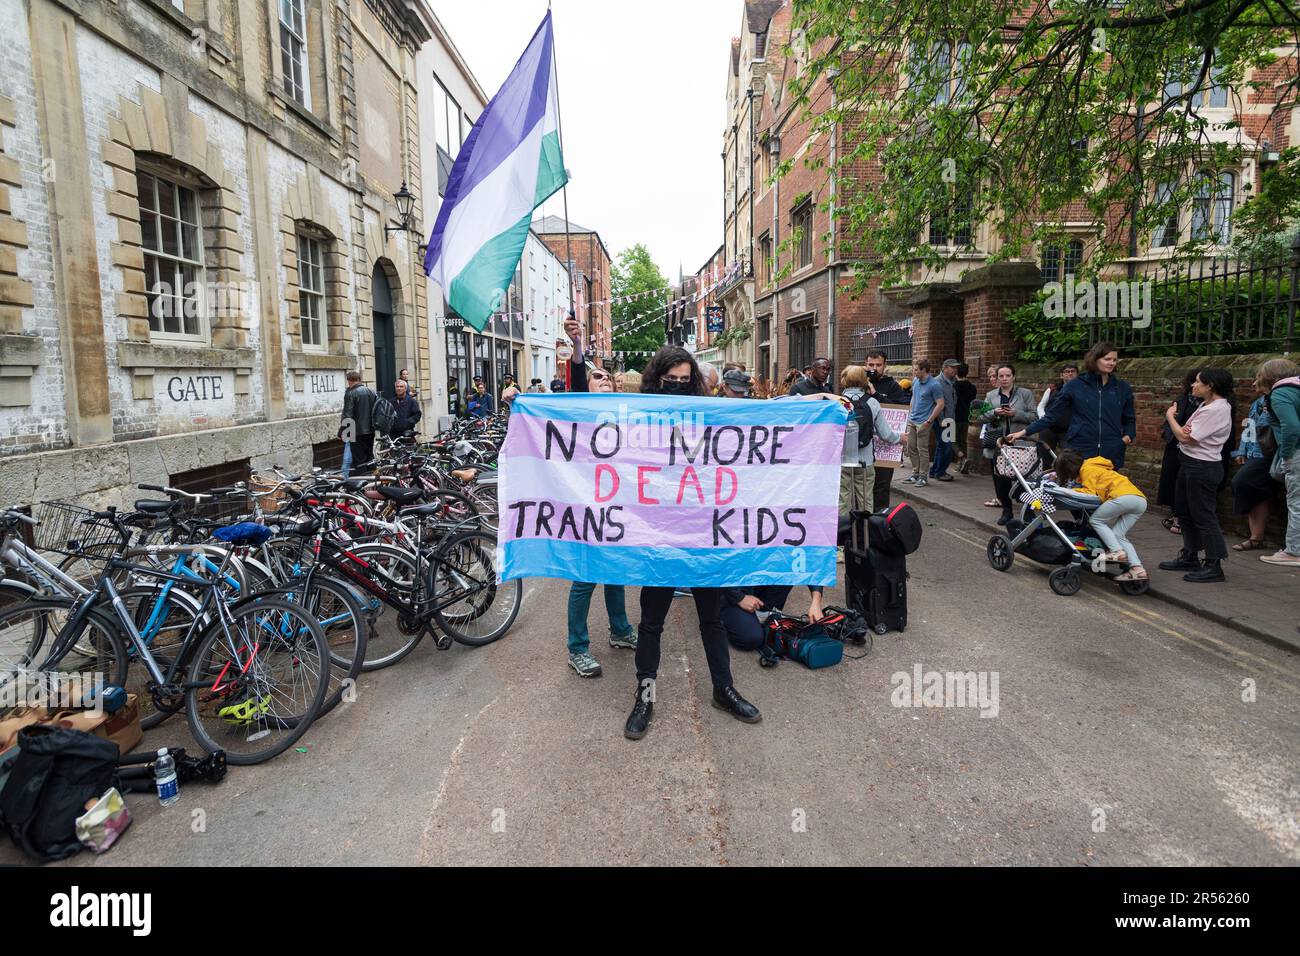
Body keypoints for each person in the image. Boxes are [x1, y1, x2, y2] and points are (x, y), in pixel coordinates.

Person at [625, 345, 761, 740]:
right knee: (652, 622)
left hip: (701, 534)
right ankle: (645, 697)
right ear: (658, 380)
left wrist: (815, 401)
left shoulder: (709, 413)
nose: (680, 387)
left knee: (712, 619)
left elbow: (761, 416)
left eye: (687, 381)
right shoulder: (640, 415)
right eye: (672, 381)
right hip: (660, 536)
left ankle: (724, 689)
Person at [563, 359, 637, 677]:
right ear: (585, 386)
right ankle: (577, 647)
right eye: (597, 376)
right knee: (585, 577)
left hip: (618, 507)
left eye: (608, 376)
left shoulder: (624, 413)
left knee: (615, 570)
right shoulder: (579, 413)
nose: (604, 379)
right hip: (587, 508)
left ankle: (619, 630)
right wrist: (515, 401)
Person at [1158, 368, 1236, 583]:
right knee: (1183, 511)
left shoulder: (1217, 409)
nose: (1193, 385)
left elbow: (1185, 436)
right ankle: (1190, 555)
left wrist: (1169, 417)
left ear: (1210, 385)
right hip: (1189, 463)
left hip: (1202, 467)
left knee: (1204, 515)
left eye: (1198, 382)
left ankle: (1214, 564)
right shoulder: (1206, 405)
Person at [1017, 341, 1136, 467]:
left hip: (1111, 451)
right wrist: (1023, 432)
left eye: (1114, 360)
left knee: (1108, 486)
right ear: (1094, 359)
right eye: (1107, 359)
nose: (1112, 363)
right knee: (1079, 486)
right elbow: (1052, 416)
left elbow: (1129, 419)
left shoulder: (1122, 388)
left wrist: (1126, 439)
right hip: (1081, 450)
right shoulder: (1075, 386)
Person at [1053, 448, 1148, 582]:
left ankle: (1116, 552)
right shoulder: (1093, 465)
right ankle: (1137, 569)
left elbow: (1089, 492)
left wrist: (1065, 490)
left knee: (1096, 520)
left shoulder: (1086, 469)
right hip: (1139, 500)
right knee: (1118, 535)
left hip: (1122, 497)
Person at [840, 364, 902, 514]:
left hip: (842, 460)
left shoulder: (837, 403)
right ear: (864, 381)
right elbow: (886, 434)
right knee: (865, 500)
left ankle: (842, 533)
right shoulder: (872, 403)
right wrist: (900, 438)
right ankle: (864, 533)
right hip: (865, 461)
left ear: (844, 381)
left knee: (841, 500)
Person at [981, 364, 1038, 525]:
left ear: (1013, 377)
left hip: (1020, 442)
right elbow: (982, 417)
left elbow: (1034, 417)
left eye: (1007, 376)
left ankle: (1029, 512)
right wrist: (994, 413)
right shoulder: (991, 395)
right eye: (1001, 376)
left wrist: (1015, 414)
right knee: (1001, 478)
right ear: (997, 378)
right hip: (999, 444)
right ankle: (1007, 511)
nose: (1004, 379)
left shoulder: (1025, 394)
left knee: (1025, 478)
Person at [1258, 358, 1300, 567]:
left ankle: (1294, 552)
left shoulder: (1281, 392)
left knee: (1296, 502)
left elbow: (1291, 427)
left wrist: (1287, 454)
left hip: (1297, 452)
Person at [1228, 375, 1277, 554]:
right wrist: (1242, 450)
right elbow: (1249, 427)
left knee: (1242, 482)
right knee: (1259, 494)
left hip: (1268, 455)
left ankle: (1256, 537)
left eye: (1258, 379)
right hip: (1253, 454)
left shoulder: (1278, 401)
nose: (1254, 383)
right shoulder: (1257, 403)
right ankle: (1255, 537)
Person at [1156, 370, 1201, 534]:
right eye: (1194, 381)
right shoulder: (1182, 400)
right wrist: (1169, 434)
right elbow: (1169, 422)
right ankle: (1176, 516)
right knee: (1173, 481)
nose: (1194, 385)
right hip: (1175, 446)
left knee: (1187, 484)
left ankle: (1184, 519)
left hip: (1194, 449)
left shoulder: (1209, 406)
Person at [865, 349, 909, 509]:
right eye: (871, 364)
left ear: (885, 366)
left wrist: (875, 394)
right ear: (865, 365)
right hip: (863, 446)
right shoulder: (859, 384)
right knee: (862, 488)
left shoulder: (893, 386)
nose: (874, 368)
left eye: (878, 365)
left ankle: (880, 522)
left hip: (885, 447)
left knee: (882, 487)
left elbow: (899, 408)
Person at [721, 586, 824, 651]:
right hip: (734, 591)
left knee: (787, 556)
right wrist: (739, 598)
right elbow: (719, 563)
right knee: (751, 639)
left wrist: (816, 602)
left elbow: (810, 558)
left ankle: (767, 610)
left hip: (768, 598)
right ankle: (719, 612)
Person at [903, 359, 945, 488]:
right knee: (911, 448)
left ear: (924, 370)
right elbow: (914, 397)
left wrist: (929, 421)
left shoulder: (934, 385)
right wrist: (909, 413)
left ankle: (923, 476)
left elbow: (940, 404)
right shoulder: (915, 381)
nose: (913, 372)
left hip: (924, 422)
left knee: (922, 449)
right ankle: (915, 473)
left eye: (916, 369)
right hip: (912, 420)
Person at [340, 370, 377, 477]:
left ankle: (362, 483)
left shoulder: (351, 393)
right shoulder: (371, 391)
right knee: (369, 456)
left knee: (358, 460)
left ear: (349, 380)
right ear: (359, 379)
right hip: (370, 429)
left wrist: (343, 431)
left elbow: (348, 415)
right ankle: (374, 480)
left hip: (355, 432)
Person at [928, 359, 960, 482]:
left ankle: (934, 470)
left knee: (942, 446)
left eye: (956, 368)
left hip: (949, 419)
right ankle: (940, 472)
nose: (955, 370)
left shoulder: (951, 382)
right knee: (946, 447)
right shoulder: (938, 382)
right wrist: (941, 419)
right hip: (943, 420)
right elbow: (938, 404)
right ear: (945, 368)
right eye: (952, 368)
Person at [1036, 363, 1078, 450]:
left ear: (1077, 374)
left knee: (1069, 456)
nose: (1070, 373)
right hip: (1049, 428)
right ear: (1061, 375)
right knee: (1045, 456)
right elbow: (1041, 405)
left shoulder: (1081, 391)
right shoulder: (1052, 389)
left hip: (1068, 430)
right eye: (1067, 371)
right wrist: (1044, 418)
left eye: (1073, 371)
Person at [953, 362, 977, 472]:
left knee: (951, 440)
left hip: (954, 417)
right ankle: (961, 465)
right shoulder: (972, 387)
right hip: (966, 417)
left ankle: (962, 458)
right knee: (963, 441)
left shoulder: (953, 386)